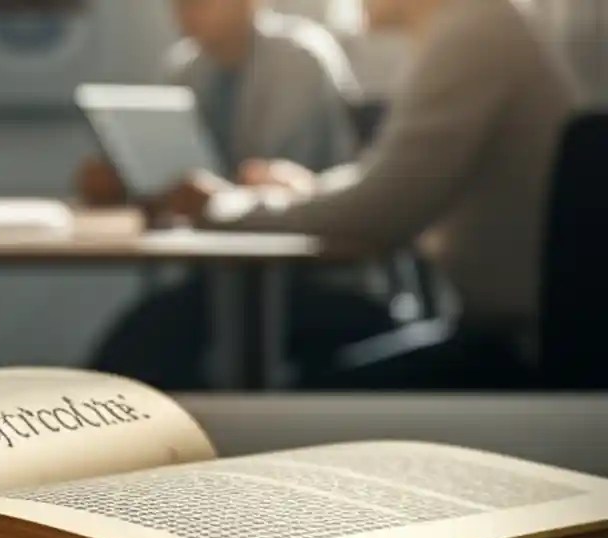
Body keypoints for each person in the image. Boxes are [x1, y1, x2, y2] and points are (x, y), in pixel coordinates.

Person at [94, 0, 579, 389]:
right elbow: (383, 186)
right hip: (506, 332)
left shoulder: (475, 32)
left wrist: (226, 206)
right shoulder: (478, 26)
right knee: (169, 341)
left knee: (263, 398)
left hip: (517, 345)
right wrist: (308, 191)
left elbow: (380, 210)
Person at [79, 0, 360, 205]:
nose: (185, 12)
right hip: (218, 265)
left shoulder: (299, 57)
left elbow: (279, 178)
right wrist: (129, 185)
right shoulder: (185, 68)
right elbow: (177, 173)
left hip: (310, 261)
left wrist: (219, 196)